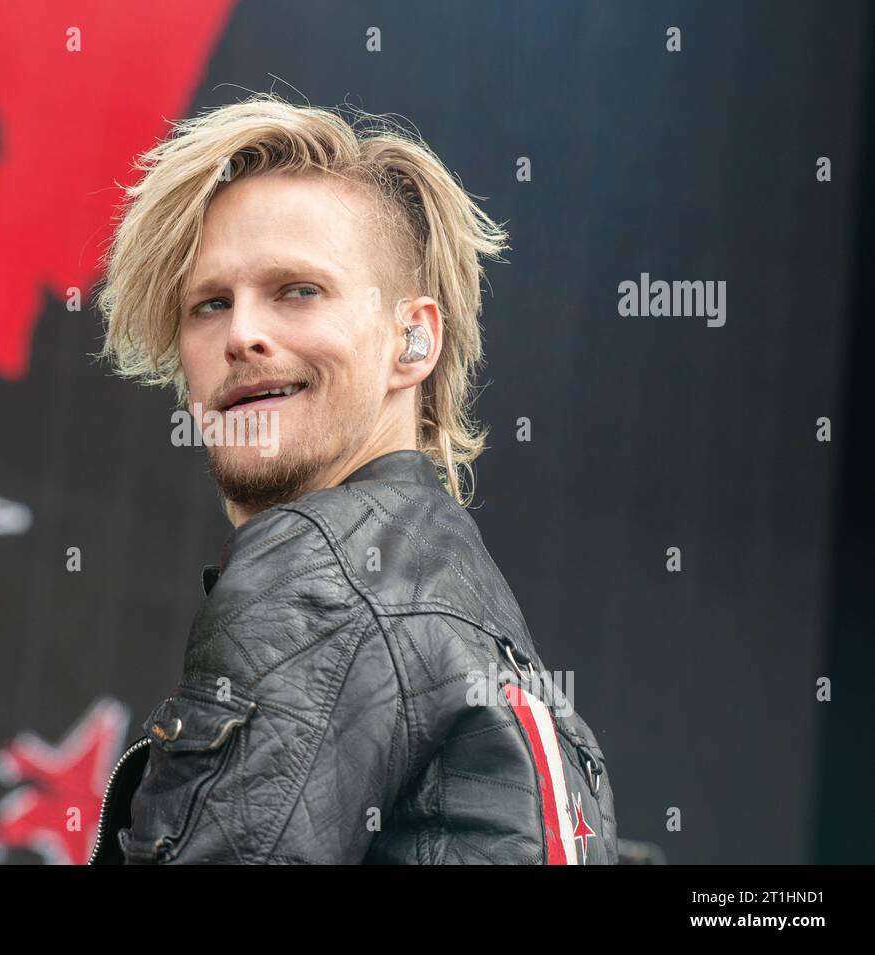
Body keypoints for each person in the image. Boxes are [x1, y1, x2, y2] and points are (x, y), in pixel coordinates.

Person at [88, 93, 617, 864]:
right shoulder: (469, 604)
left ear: (413, 340)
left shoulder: (319, 568)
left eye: (297, 290)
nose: (241, 334)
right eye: (209, 304)